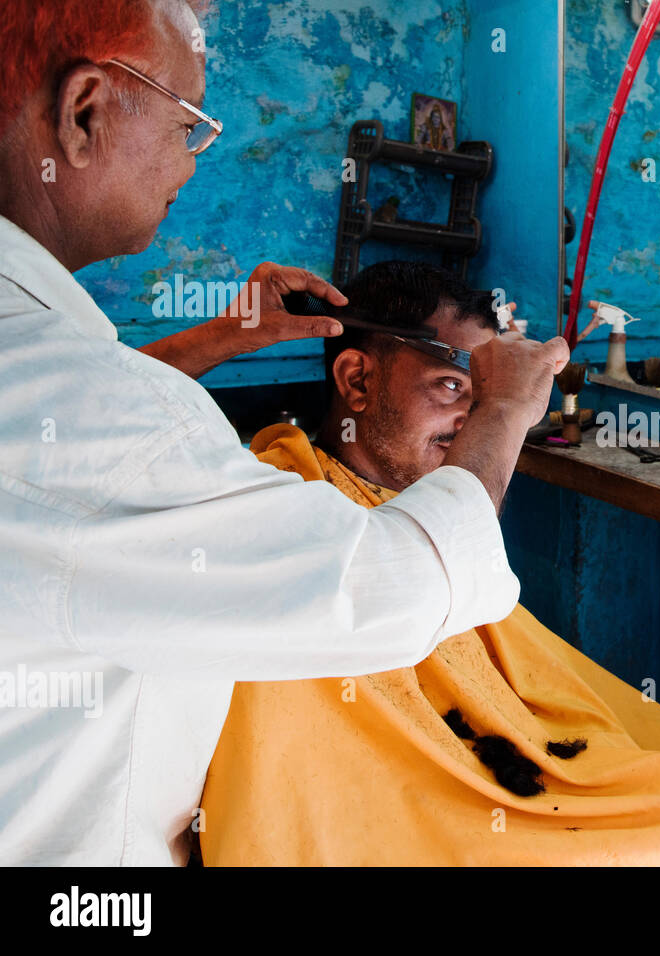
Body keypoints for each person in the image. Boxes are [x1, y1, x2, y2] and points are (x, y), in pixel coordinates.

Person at [0, 0, 567, 865]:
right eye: (190, 121)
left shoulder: (51, 369)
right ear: (84, 113)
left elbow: (76, 431)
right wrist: (505, 410)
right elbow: (402, 586)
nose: (194, 158)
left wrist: (221, 337)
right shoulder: (129, 427)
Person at [198, 261, 660, 866]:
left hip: (522, 774)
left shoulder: (433, 507)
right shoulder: (280, 502)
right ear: (357, 381)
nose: (473, 420)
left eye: (485, 399)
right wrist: (507, 410)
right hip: (409, 824)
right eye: (453, 386)